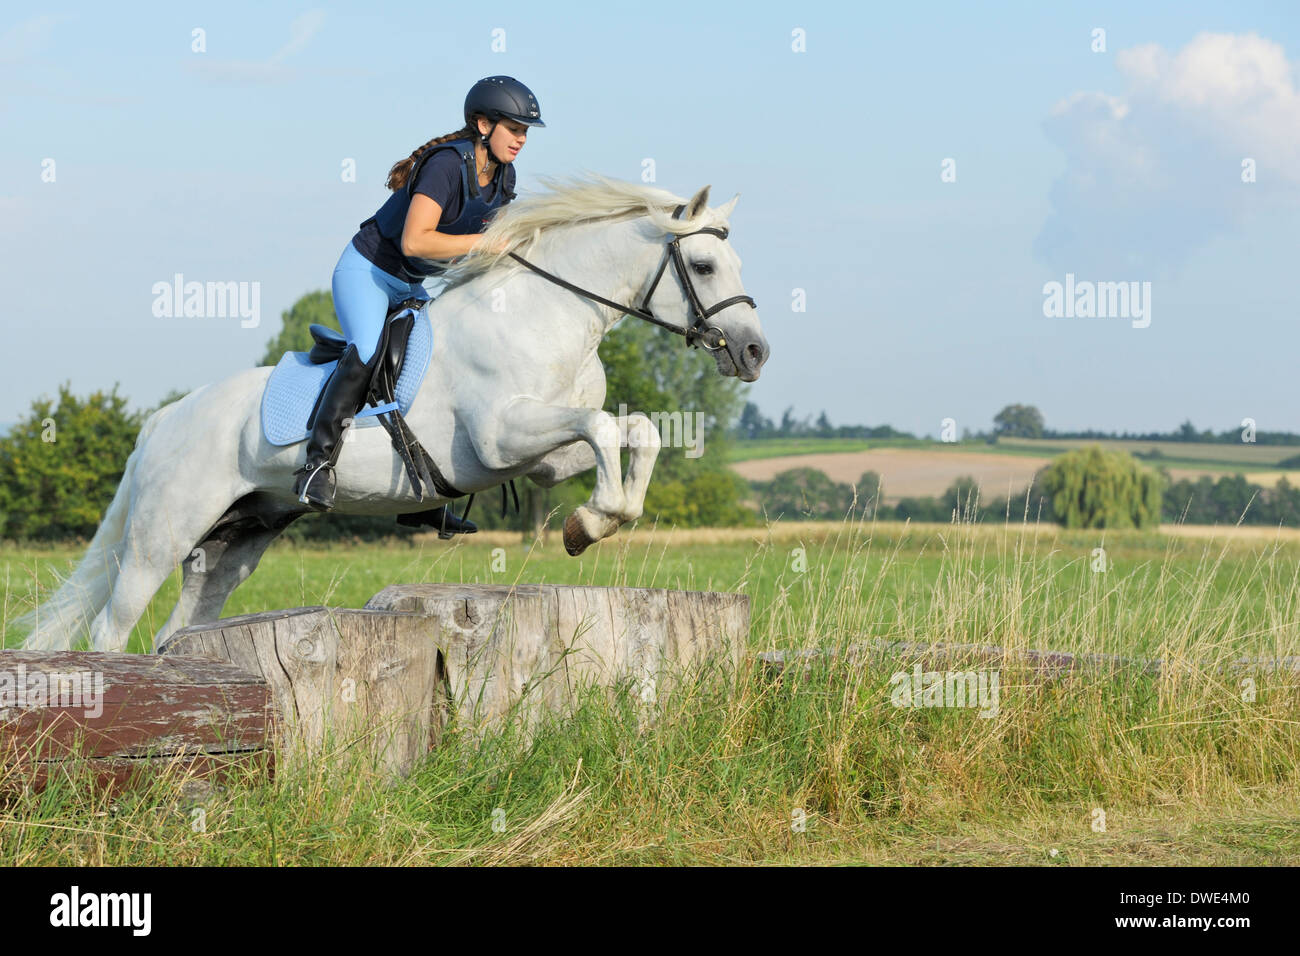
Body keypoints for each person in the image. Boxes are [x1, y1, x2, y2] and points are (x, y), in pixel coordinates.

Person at [293, 76, 545, 526]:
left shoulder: (504, 176)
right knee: (369, 351)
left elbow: (492, 245)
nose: (522, 139)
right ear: (483, 125)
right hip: (369, 272)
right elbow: (415, 242)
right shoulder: (446, 166)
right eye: (515, 128)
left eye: (527, 131)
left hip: (412, 285)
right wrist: (484, 246)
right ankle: (316, 465)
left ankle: (423, 502)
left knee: (436, 366)